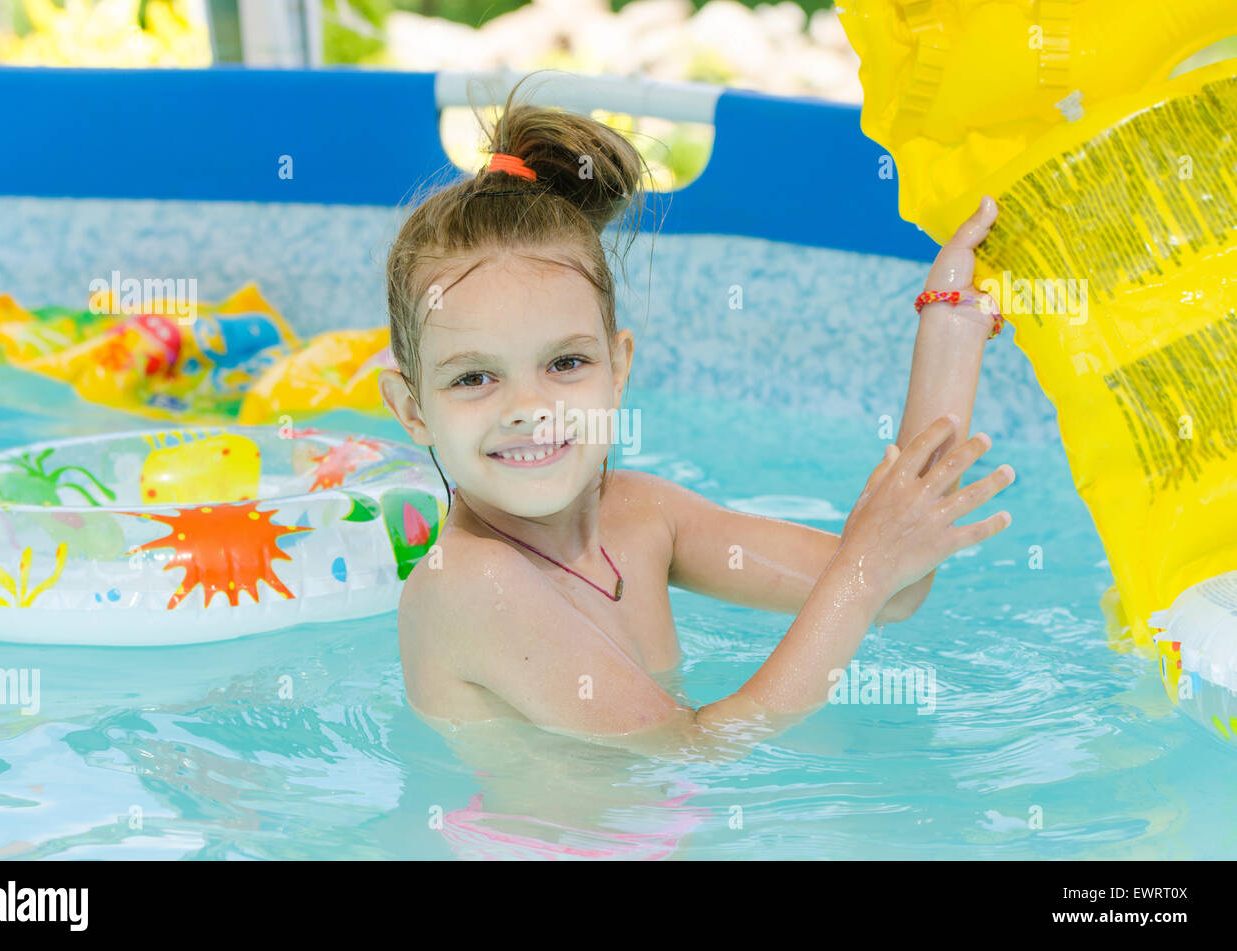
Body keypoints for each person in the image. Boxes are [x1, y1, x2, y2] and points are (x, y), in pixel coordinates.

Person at [379, 72, 1014, 761]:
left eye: (565, 363)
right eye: (475, 377)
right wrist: (864, 568)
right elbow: (694, 747)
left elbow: (896, 586)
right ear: (412, 409)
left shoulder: (645, 516)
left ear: (619, 367)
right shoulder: (468, 585)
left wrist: (951, 323)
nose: (530, 409)